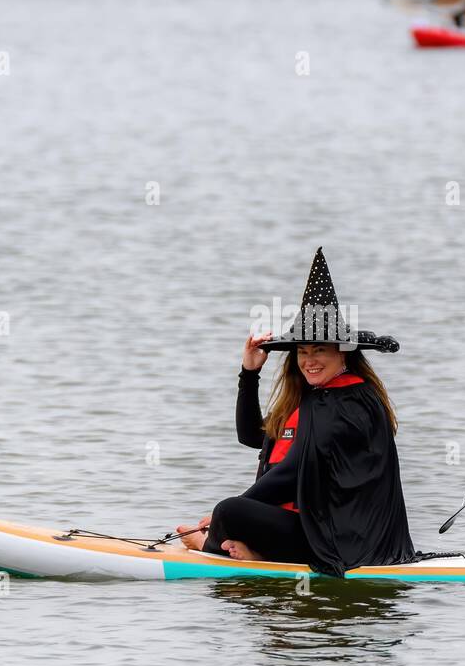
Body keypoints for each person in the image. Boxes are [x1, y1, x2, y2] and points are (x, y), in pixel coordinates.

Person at [176, 247, 416, 576]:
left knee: (229, 510)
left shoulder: (350, 402)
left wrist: (224, 518)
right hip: (313, 529)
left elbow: (291, 472)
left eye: (320, 350)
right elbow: (251, 437)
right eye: (302, 351)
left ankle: (215, 549)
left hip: (344, 541)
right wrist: (249, 374)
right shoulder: (316, 398)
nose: (309, 360)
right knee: (233, 512)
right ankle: (249, 552)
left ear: (343, 354)